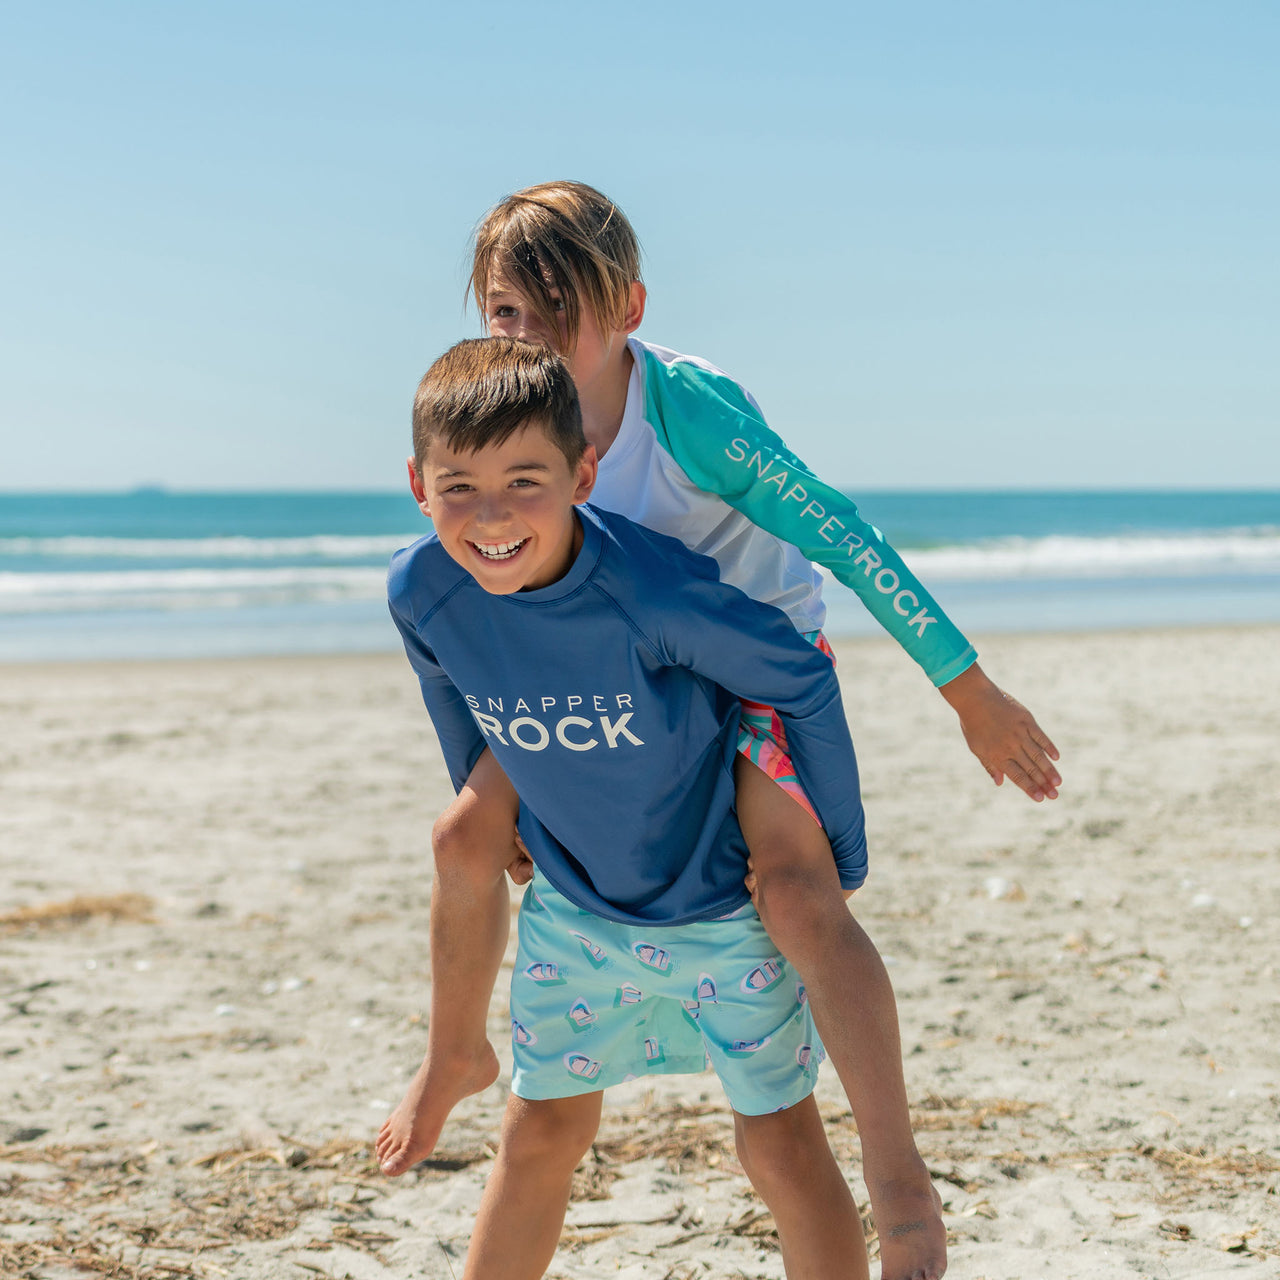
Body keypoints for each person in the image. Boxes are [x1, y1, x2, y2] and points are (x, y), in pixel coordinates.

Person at [380, 180, 1060, 1277]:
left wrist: (966, 690)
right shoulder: (503, 429)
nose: (533, 336)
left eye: (564, 308)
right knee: (463, 832)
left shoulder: (691, 419)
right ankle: (455, 1048)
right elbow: (464, 642)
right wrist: (499, 790)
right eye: (508, 311)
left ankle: (898, 1185)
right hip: (602, 671)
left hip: (753, 671)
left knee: (791, 895)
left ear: (630, 306)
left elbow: (838, 532)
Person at [386, 336, 881, 1278]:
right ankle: (455, 1054)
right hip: (574, 913)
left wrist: (840, 853)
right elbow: (450, 686)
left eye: (523, 480)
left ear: (583, 472)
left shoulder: (655, 594)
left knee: (778, 1148)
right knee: (536, 1140)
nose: (490, 516)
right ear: (419, 483)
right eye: (458, 487)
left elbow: (801, 682)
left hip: (721, 908)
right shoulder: (422, 586)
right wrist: (504, 812)